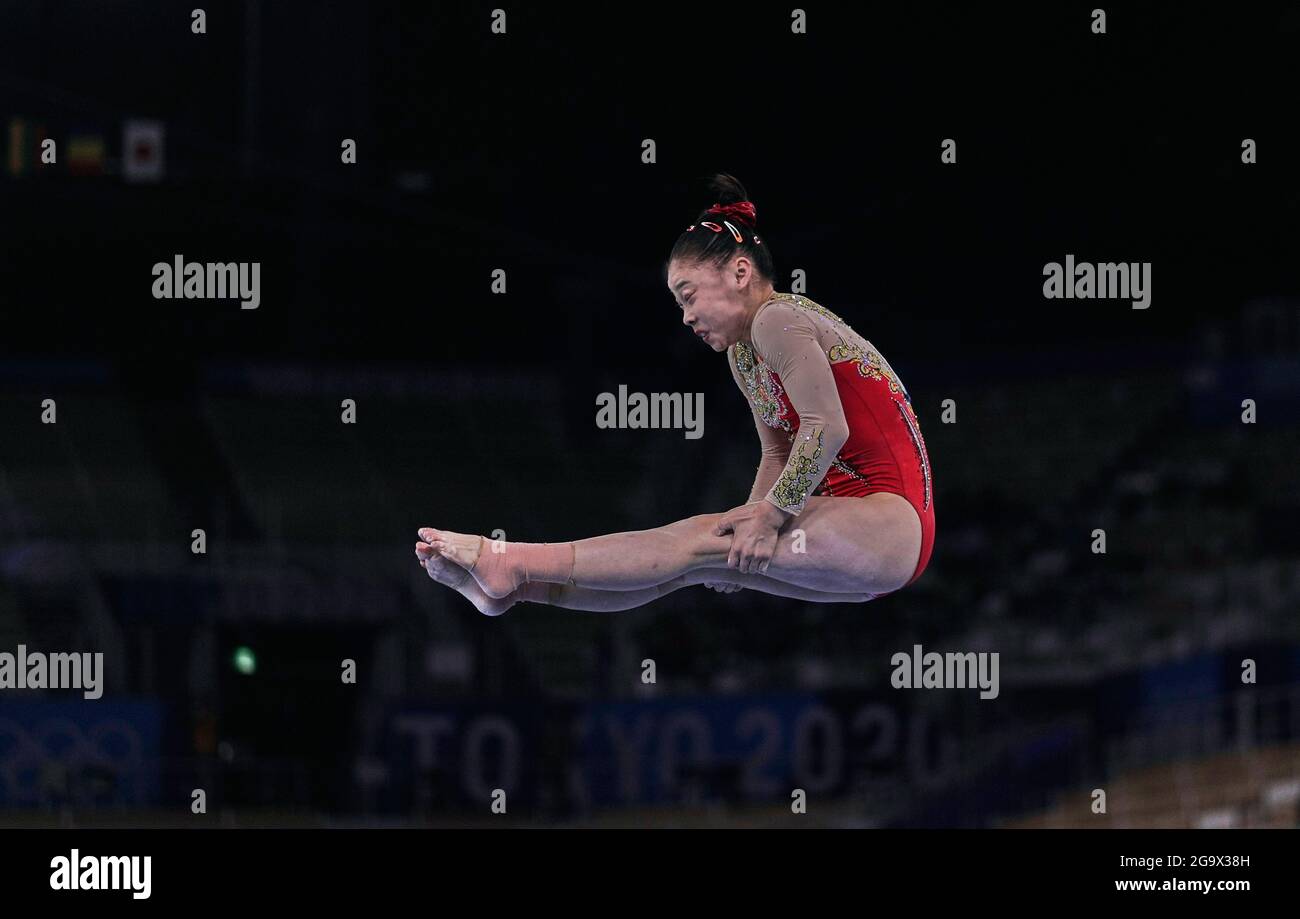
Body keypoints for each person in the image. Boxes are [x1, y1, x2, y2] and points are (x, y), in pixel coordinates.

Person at [415, 173, 934, 615]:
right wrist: (755, 520)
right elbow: (778, 450)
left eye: (688, 297)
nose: (685, 317)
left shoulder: (778, 319)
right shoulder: (745, 353)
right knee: (689, 565)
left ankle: (511, 559)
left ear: (739, 272)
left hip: (891, 520)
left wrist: (770, 516)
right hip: (861, 535)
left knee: (691, 542)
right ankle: (518, 590)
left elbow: (827, 427)